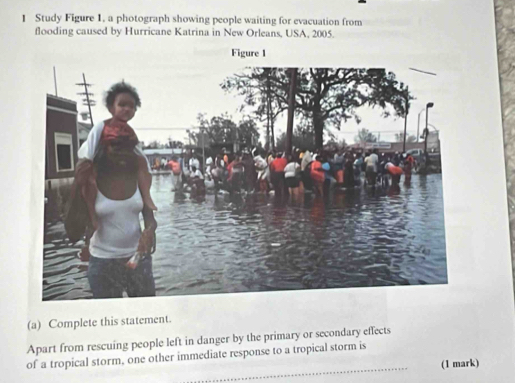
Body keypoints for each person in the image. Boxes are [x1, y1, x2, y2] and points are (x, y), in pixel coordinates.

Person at [67, 124, 157, 299]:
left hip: (138, 259)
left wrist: (149, 231)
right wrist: (77, 185)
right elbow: (72, 233)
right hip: (102, 264)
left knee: (145, 314)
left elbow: (150, 218)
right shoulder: (90, 181)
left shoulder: (138, 175)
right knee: (109, 318)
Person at [78, 82, 157, 231]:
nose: (127, 109)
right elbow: (89, 150)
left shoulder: (130, 131)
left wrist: (145, 167)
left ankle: (147, 197)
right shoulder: (101, 126)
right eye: (122, 105)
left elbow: (137, 149)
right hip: (94, 160)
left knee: (143, 164)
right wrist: (88, 165)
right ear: (111, 108)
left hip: (124, 158)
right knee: (88, 180)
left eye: (131, 106)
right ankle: (91, 216)